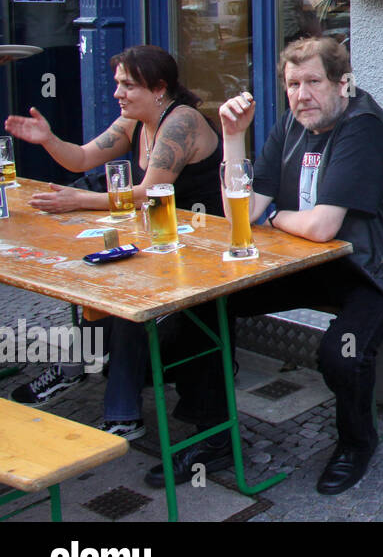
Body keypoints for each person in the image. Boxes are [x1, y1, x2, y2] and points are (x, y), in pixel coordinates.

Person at [157, 36, 383, 495]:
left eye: (313, 81)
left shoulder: (361, 127)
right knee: (203, 305)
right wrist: (232, 139)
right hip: (317, 265)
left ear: (342, 84)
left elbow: (322, 226)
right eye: (292, 84)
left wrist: (273, 216)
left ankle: (355, 444)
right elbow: (241, 216)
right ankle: (213, 436)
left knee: (341, 352)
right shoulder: (291, 125)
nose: (301, 94)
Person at [5, 45, 222, 440]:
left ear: (158, 88)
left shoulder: (181, 121)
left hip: (201, 246)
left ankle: (117, 408)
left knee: (125, 297)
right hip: (156, 237)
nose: (117, 93)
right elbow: (82, 158)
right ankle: (79, 367)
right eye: (118, 83)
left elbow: (150, 191)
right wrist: (49, 139)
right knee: (89, 272)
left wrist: (79, 201)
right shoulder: (133, 121)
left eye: (127, 85)